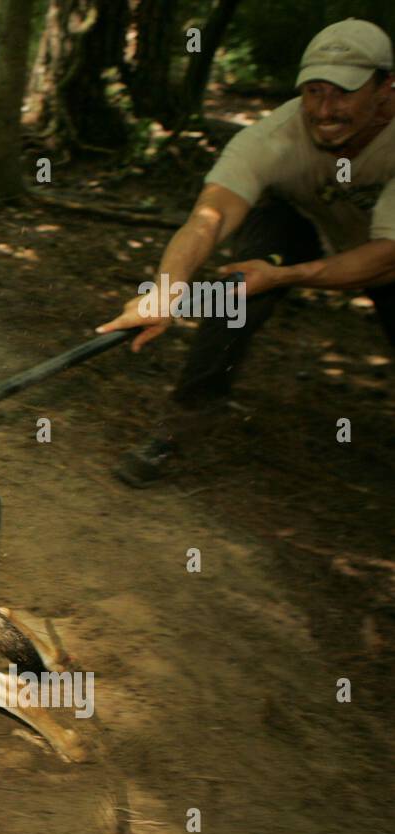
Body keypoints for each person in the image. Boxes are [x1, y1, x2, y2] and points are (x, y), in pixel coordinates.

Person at [99, 18, 395, 487]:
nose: (324, 109)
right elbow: (207, 218)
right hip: (296, 217)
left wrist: (282, 276)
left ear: (386, 87)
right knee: (232, 294)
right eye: (314, 91)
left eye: (344, 92)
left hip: (383, 252)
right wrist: (165, 290)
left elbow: (384, 259)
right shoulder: (273, 137)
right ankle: (176, 431)